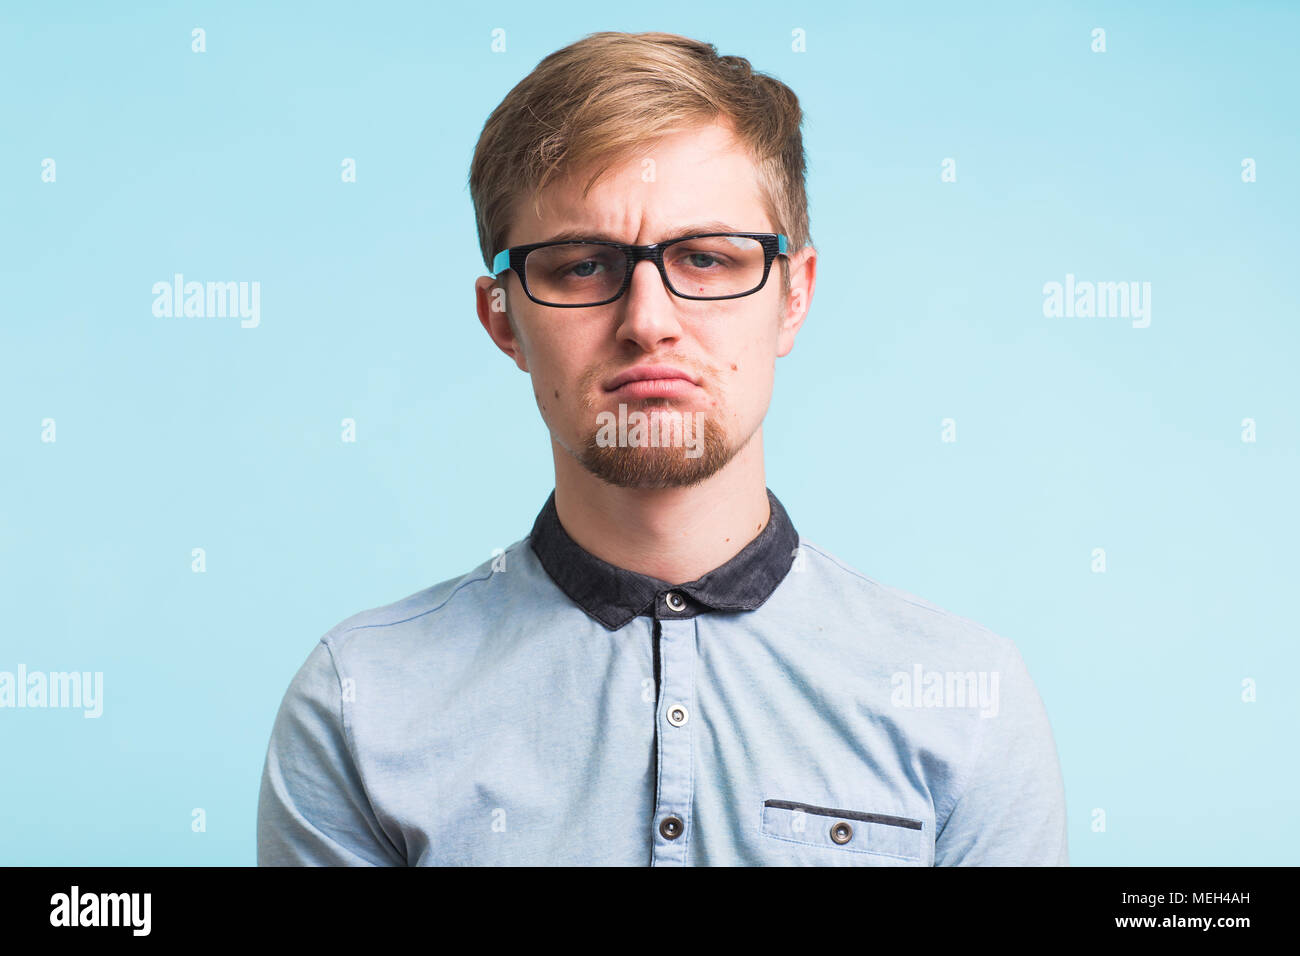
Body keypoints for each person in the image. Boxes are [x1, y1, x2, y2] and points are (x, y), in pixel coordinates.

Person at [257, 30, 1068, 866]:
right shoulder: (360, 703)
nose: (649, 320)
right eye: (581, 266)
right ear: (503, 318)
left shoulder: (966, 700)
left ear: (794, 298)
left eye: (707, 259)